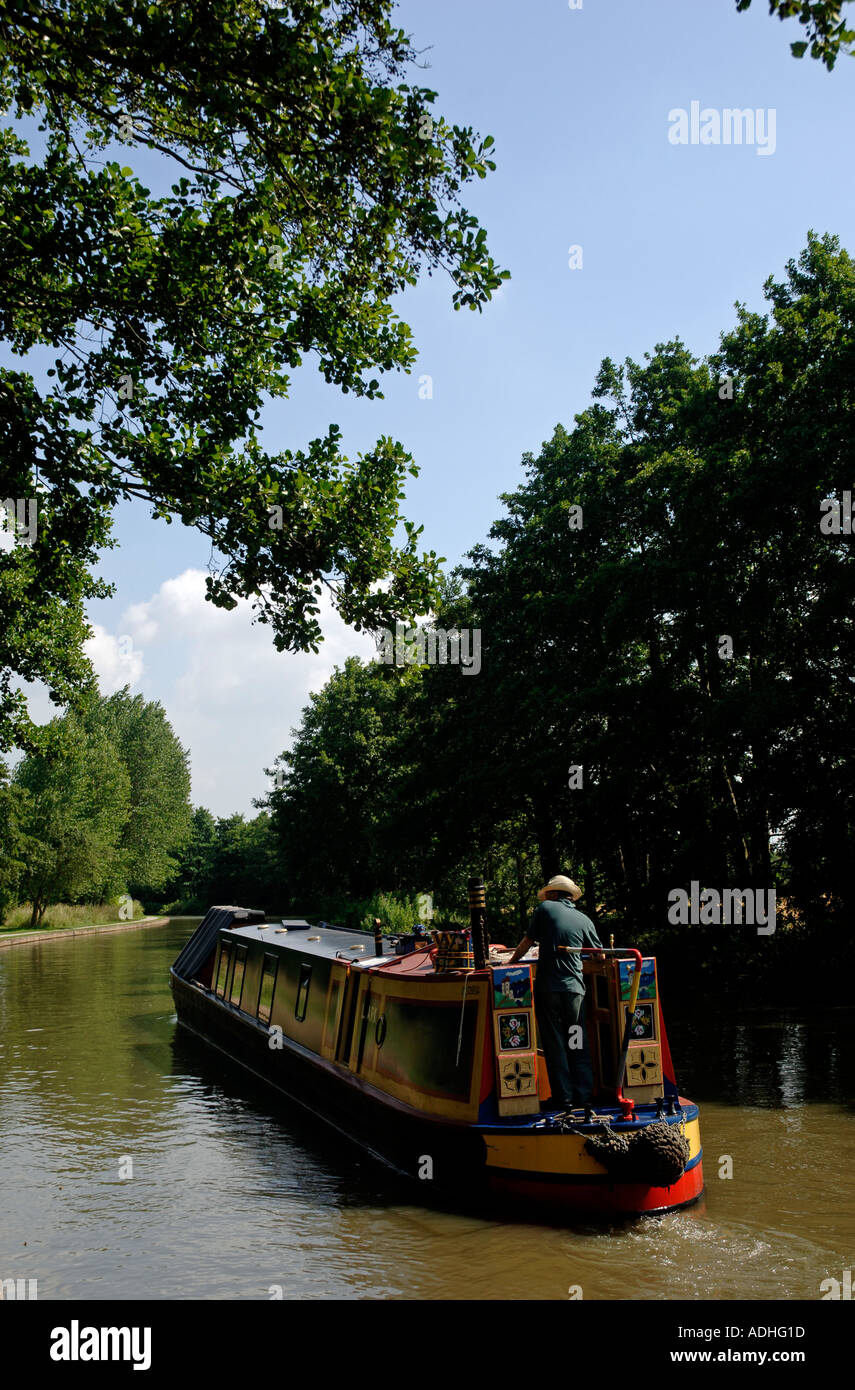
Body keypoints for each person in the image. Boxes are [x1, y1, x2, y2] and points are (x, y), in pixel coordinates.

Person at [507, 874, 603, 1111]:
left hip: (549, 989)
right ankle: (584, 1096)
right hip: (575, 993)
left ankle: (564, 1098)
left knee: (555, 1042)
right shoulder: (584, 919)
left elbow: (528, 941)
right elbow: (599, 956)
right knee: (576, 1041)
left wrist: (511, 962)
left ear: (553, 894)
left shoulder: (545, 908)